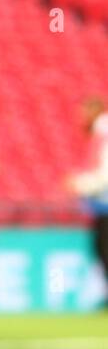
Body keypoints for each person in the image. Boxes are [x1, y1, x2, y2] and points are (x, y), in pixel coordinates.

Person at [67, 96, 108, 305]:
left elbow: (104, 174)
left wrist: (81, 184)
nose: (80, 118)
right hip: (102, 204)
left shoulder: (104, 135)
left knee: (104, 248)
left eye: (84, 112)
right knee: (101, 248)